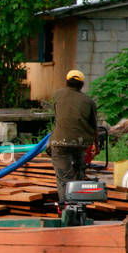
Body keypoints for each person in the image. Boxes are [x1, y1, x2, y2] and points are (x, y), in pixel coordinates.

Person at [50, 68, 101, 206]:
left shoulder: (58, 95)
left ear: (66, 82)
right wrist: (97, 144)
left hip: (60, 142)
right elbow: (94, 126)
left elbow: (57, 117)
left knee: (63, 178)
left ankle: (65, 208)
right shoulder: (88, 101)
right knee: (78, 173)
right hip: (80, 143)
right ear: (81, 85)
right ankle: (79, 204)